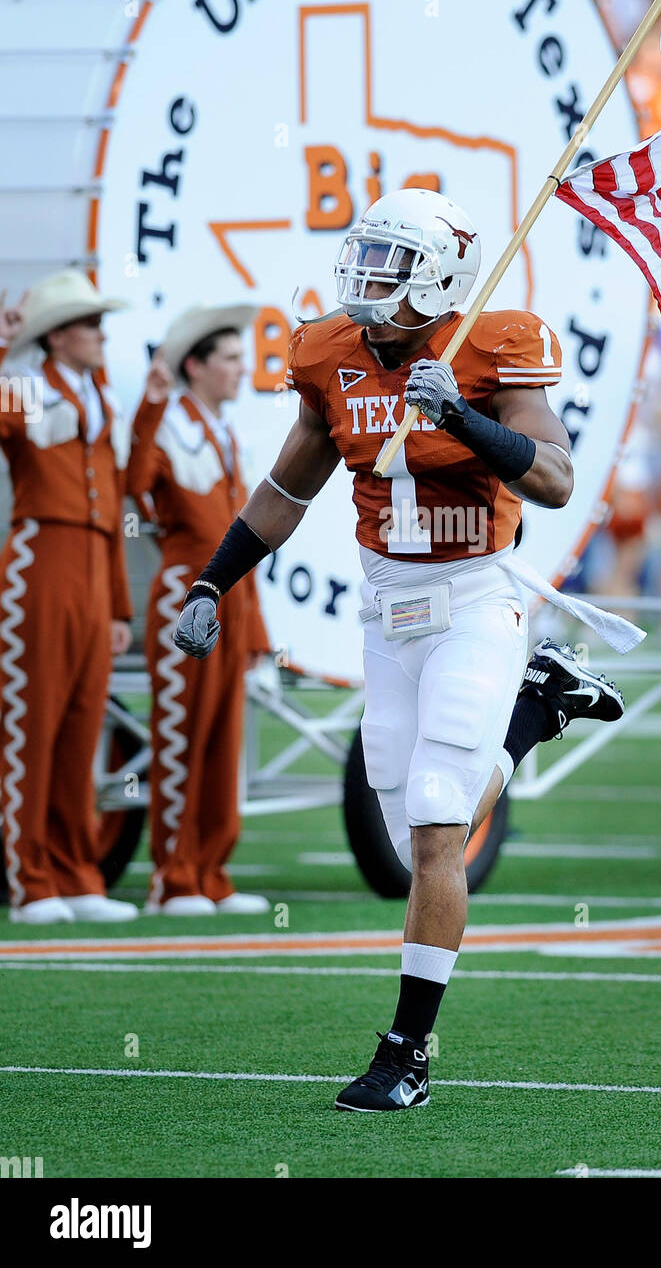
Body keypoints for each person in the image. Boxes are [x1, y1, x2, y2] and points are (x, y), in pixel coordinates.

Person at [171, 188, 627, 1108]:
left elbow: (556, 479)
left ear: (440, 275)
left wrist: (460, 415)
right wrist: (215, 580)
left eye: (392, 262)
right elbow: (286, 489)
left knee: (432, 819)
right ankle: (536, 709)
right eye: (366, 256)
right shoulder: (329, 353)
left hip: (472, 597)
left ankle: (406, 1052)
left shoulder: (494, 344)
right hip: (389, 610)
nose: (368, 278)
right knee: (411, 827)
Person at [0, 270, 137, 923]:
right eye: (89, 324)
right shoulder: (25, 386)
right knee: (33, 724)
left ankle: (78, 874)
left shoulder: (98, 395)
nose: (100, 334)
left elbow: (110, 505)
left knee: (84, 727)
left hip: (90, 560)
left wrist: (117, 605)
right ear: (57, 337)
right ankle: (29, 880)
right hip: (41, 559)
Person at [126, 305, 272, 917]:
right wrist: (151, 406)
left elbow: (246, 537)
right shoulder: (166, 424)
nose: (243, 369)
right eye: (232, 359)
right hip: (183, 591)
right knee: (180, 734)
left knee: (221, 738)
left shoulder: (222, 429)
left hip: (228, 595)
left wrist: (256, 628)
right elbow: (133, 483)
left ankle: (211, 871)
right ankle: (174, 878)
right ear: (197, 365)